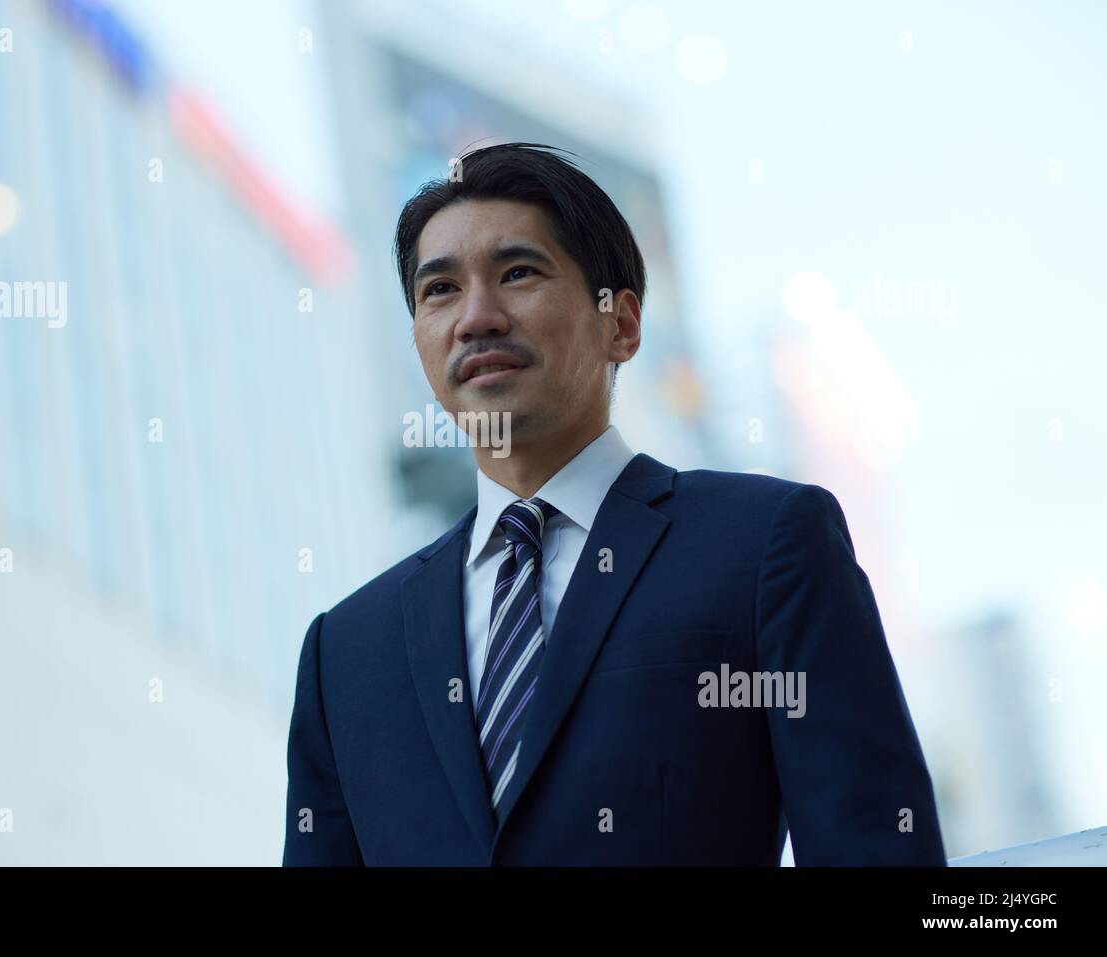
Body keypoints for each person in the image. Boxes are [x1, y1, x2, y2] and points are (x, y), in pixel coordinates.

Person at [282, 142, 946, 865]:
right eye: (439, 290)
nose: (476, 317)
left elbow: (877, 845)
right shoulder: (344, 653)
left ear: (621, 325)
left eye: (518, 272)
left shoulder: (764, 546)